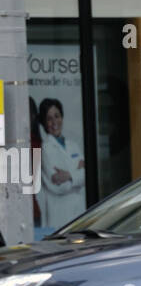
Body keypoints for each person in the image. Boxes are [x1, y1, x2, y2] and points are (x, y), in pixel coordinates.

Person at [36, 98, 87, 229]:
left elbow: (87, 176)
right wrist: (78, 174)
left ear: (62, 117)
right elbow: (59, 187)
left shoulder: (73, 145)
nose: (54, 123)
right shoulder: (46, 148)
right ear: (44, 123)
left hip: (79, 212)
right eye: (49, 119)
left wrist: (69, 175)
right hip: (60, 216)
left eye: (57, 116)